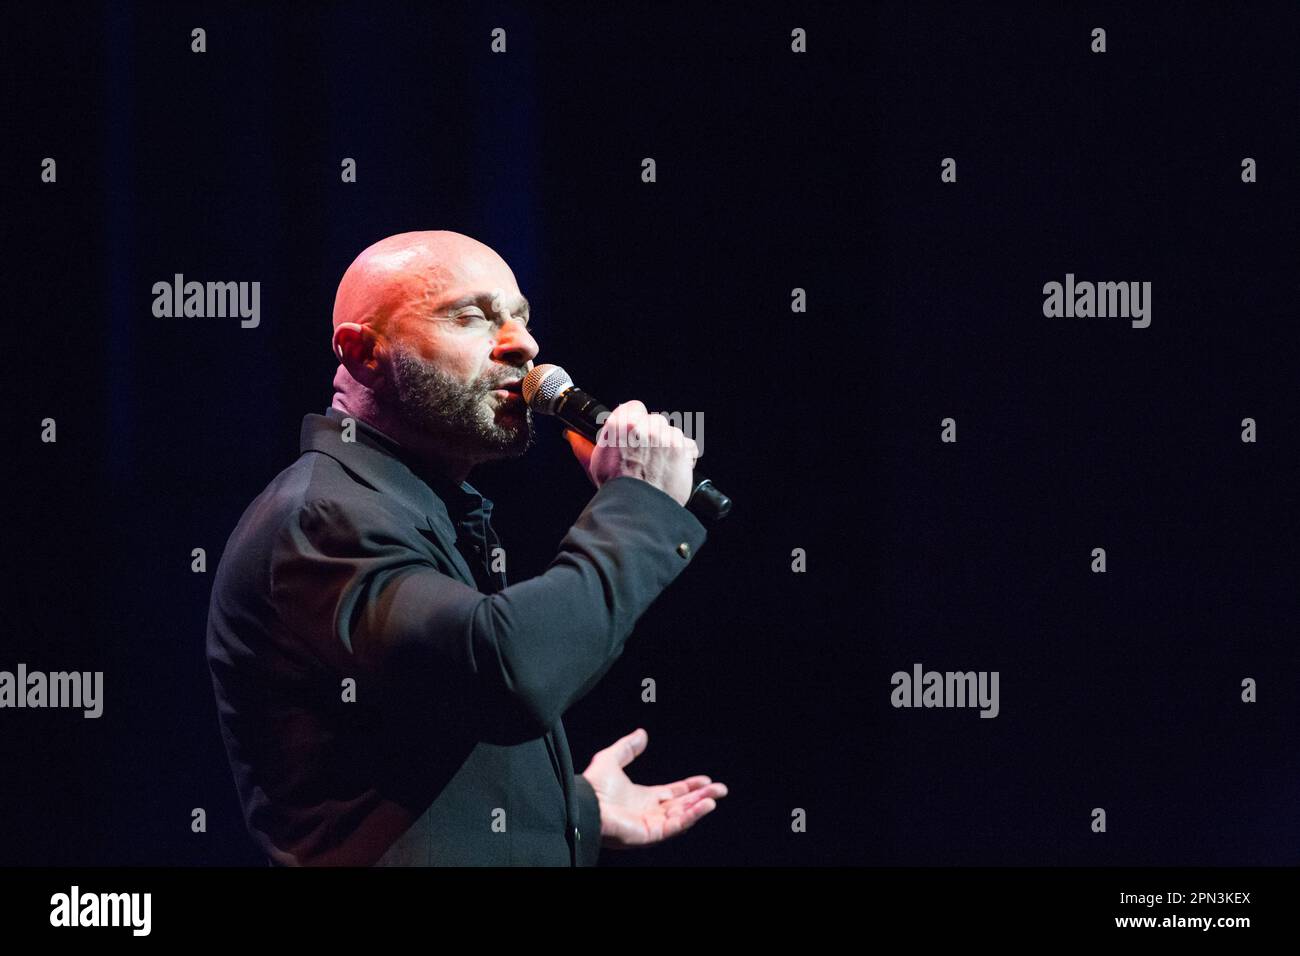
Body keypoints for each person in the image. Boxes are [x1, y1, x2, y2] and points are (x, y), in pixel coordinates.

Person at [206, 230, 728, 865]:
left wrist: (574, 809)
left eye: (521, 318)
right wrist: (638, 507)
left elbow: (436, 725)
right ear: (363, 351)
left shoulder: (414, 505)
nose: (524, 345)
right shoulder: (323, 518)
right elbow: (508, 674)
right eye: (473, 316)